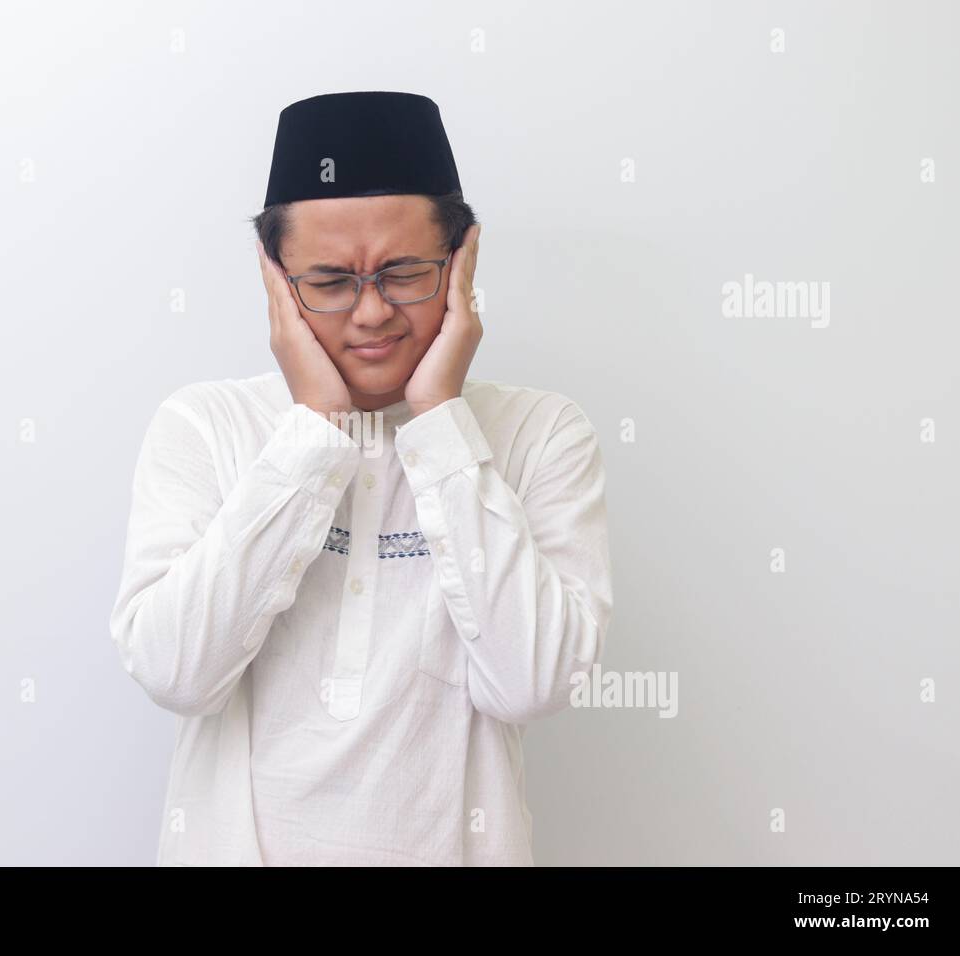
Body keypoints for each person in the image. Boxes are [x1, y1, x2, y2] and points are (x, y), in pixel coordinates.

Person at [110, 91, 613, 865]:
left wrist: (441, 417)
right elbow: (178, 672)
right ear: (276, 279)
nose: (372, 313)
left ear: (462, 261)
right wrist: (314, 429)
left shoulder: (541, 434)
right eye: (332, 280)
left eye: (405, 272)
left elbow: (533, 684)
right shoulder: (205, 427)